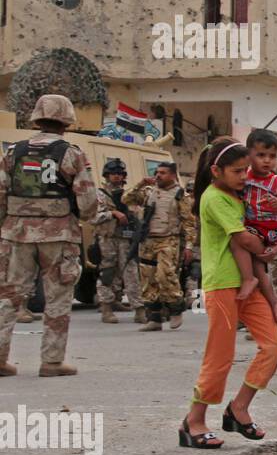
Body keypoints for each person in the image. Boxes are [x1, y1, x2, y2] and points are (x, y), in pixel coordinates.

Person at [180, 138, 277, 449]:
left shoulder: (239, 196)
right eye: (238, 172)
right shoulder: (214, 198)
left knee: (275, 345)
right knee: (220, 357)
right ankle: (193, 421)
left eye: (246, 171)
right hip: (223, 285)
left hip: (248, 282)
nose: (244, 177)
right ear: (217, 171)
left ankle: (238, 408)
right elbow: (244, 239)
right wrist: (268, 249)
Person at [0, 95, 98, 376]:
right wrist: (85, 218)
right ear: (67, 121)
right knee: (57, 296)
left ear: (36, 118)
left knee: (8, 297)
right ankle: (52, 362)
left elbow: (1, 193)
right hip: (58, 234)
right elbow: (88, 200)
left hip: (16, 234)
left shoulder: (13, 152)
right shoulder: (72, 153)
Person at [123, 162, 196, 331]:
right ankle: (154, 317)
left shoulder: (180, 195)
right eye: (157, 172)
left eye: (163, 172)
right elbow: (126, 199)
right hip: (148, 240)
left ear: (172, 175)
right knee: (148, 279)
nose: (158, 175)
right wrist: (141, 183)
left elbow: (189, 223)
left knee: (165, 275)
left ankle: (175, 308)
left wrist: (189, 246)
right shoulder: (149, 192)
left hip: (168, 240)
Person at [238, 129, 277, 321]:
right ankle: (271, 303)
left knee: (241, 244)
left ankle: (259, 290)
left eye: (272, 156)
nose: (267, 161)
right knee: (255, 263)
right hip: (253, 227)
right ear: (249, 154)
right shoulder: (243, 177)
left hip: (269, 229)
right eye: (261, 155)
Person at [92, 158, 143, 324]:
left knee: (132, 273)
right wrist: (113, 214)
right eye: (114, 174)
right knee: (107, 272)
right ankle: (106, 308)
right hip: (107, 239)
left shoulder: (127, 195)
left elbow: (137, 214)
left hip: (125, 239)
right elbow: (93, 217)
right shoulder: (99, 194)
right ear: (107, 175)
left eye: (120, 174)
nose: (117, 177)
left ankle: (139, 309)